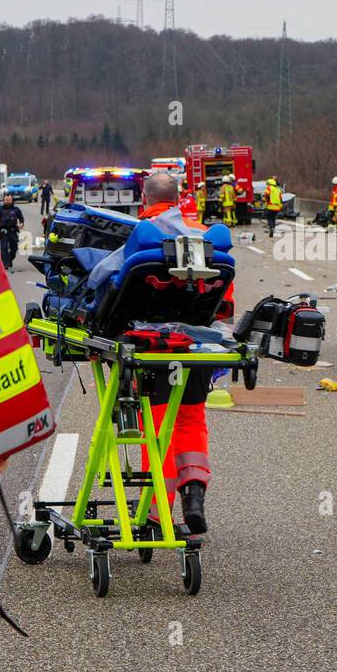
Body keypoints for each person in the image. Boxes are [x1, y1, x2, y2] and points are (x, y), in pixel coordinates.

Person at [88, 172, 229, 533]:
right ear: (180, 197)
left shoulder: (142, 238)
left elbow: (106, 286)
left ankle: (156, 510)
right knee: (191, 420)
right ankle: (193, 495)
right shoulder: (205, 240)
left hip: (150, 351)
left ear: (143, 197)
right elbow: (224, 306)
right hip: (196, 348)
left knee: (157, 426)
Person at [0, 193, 24, 271]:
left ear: (12, 200)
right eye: (6, 200)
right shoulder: (0, 209)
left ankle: (9, 260)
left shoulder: (16, 209)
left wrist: (21, 224)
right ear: (3, 200)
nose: (8, 201)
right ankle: (5, 264)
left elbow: (21, 218)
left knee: (14, 248)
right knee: (4, 247)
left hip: (13, 230)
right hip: (3, 231)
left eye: (9, 200)